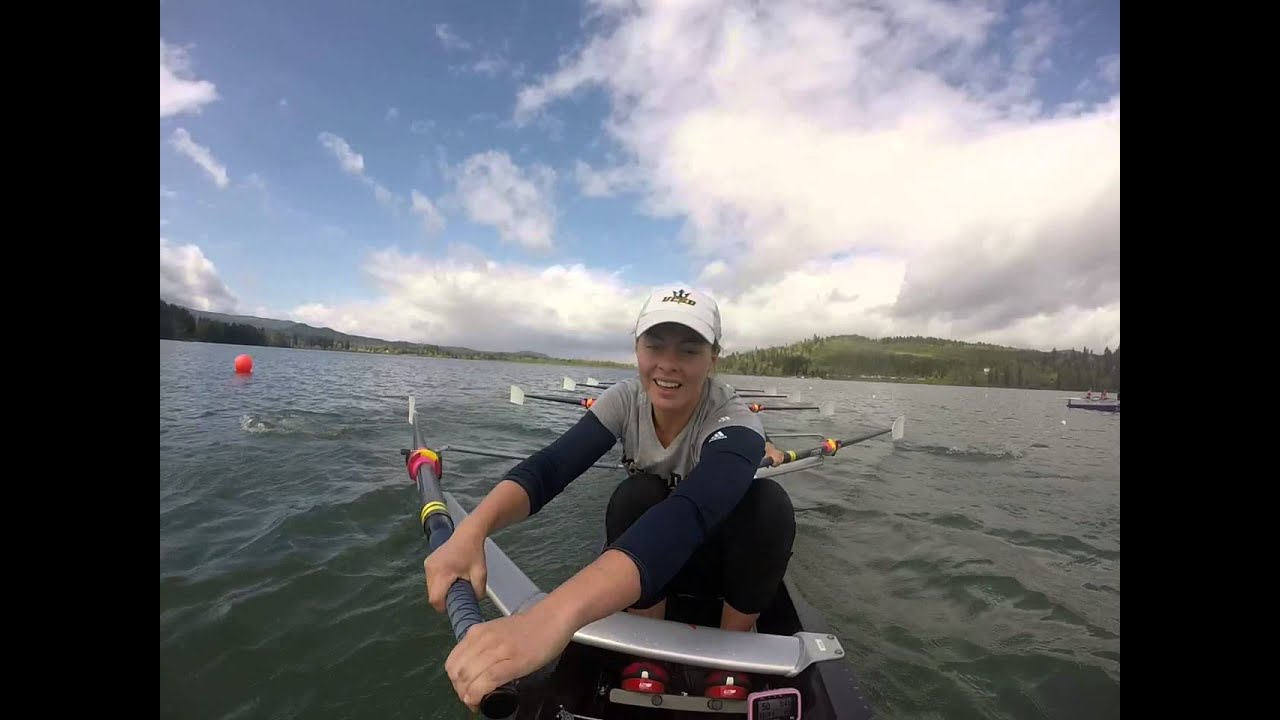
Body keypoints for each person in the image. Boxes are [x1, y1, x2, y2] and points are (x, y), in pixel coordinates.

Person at [424, 286, 797, 709]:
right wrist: (472, 532)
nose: (667, 365)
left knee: (770, 505)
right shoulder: (624, 399)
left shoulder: (736, 421)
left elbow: (689, 513)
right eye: (654, 346)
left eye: (689, 351)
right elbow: (549, 469)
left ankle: (734, 648)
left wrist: (548, 619)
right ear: (636, 349)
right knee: (635, 495)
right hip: (647, 569)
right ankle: (646, 646)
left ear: (713, 359)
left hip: (722, 563)